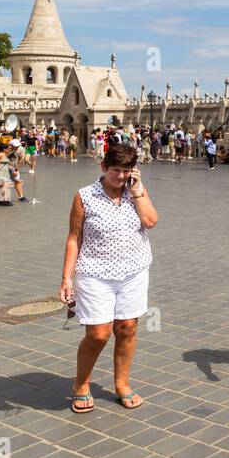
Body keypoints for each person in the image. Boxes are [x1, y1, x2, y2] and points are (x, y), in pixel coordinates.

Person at [61, 142, 158, 413]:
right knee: (98, 334)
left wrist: (137, 190)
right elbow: (73, 238)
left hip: (133, 271)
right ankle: (81, 384)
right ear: (103, 167)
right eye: (116, 169)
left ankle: (122, 384)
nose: (121, 176)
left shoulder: (135, 191)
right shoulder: (85, 196)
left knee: (127, 328)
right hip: (95, 274)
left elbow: (150, 221)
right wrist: (67, 278)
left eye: (127, 170)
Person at [0, 141, 28, 205]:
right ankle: (4, 200)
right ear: (4, 149)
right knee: (5, 185)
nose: (9, 149)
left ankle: (0, 200)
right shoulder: (1, 154)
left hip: (4, 172)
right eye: (8, 148)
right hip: (1, 172)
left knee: (4, 185)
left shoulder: (4, 154)